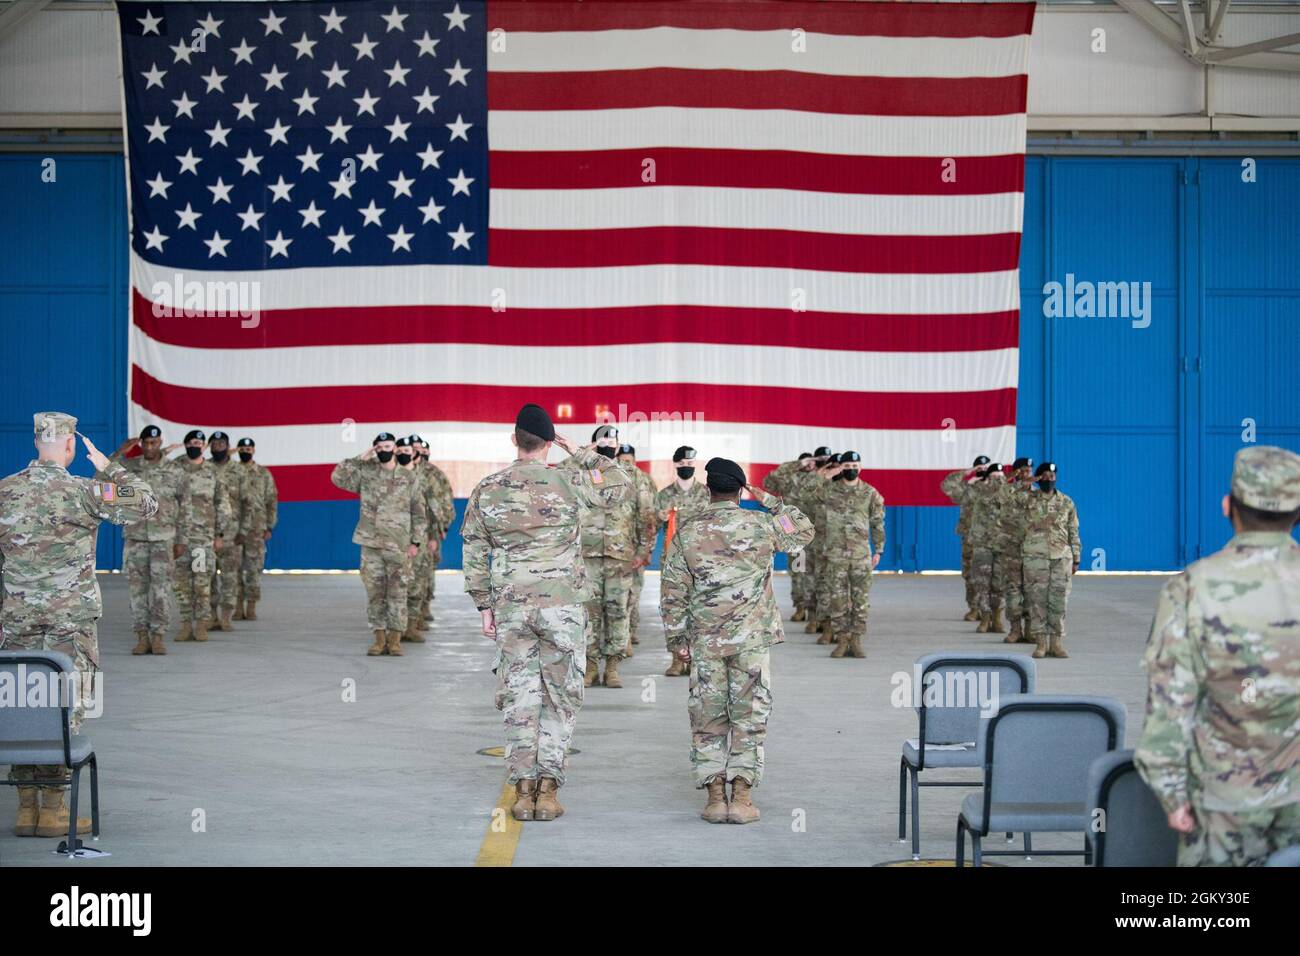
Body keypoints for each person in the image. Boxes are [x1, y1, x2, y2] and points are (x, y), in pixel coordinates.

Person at [1134, 446, 1299, 866]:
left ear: (1228, 506)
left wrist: (1172, 797)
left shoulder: (1192, 589)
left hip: (1225, 798)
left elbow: (1170, 708)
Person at [461, 404, 624, 821]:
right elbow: (619, 487)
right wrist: (581, 452)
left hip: (513, 607)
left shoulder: (489, 487)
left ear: (515, 439)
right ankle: (548, 790)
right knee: (560, 695)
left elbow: (475, 549)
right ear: (550, 442)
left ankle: (523, 789)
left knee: (519, 696)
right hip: (561, 608)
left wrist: (484, 605)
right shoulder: (570, 480)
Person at [0, 413, 158, 838]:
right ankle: (52, 811)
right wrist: (109, 465)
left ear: (36, 442)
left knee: (21, 705)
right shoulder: (87, 490)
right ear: (70, 445)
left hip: (16, 624)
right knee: (61, 710)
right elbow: (145, 504)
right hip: (69, 626)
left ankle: (26, 809)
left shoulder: (5, 491)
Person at [661, 458, 814, 824]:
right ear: (740, 490)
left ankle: (715, 797)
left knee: (708, 716)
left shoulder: (689, 530)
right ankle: (742, 796)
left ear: (709, 489)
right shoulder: (762, 524)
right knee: (749, 715)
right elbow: (804, 530)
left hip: (705, 640)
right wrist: (767, 499)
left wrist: (677, 639)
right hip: (751, 640)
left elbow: (672, 590)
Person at [331, 433, 427, 656]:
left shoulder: (409, 477)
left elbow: (419, 513)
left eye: (388, 446)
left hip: (398, 545)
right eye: (380, 446)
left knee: (397, 592)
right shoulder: (367, 473)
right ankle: (379, 638)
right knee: (375, 593)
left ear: (395, 448)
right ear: (375, 448)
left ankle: (395, 640)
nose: (384, 449)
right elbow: (338, 478)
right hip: (370, 543)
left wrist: (416, 542)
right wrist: (360, 458)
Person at [104, 426, 187, 656]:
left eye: (153, 443)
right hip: (135, 538)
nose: (149, 447)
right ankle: (141, 637)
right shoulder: (130, 468)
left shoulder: (174, 470)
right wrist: (121, 452)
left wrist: (182, 539)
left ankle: (158, 636)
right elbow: (101, 477)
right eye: (145, 443)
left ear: (160, 442)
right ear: (140, 444)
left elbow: (185, 506)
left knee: (161, 590)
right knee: (137, 591)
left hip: (164, 539)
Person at [578, 425, 645, 688]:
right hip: (588, 556)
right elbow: (557, 471)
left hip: (620, 557)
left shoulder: (632, 476)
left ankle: (613, 667)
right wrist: (585, 454)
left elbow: (646, 515)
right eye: (602, 439)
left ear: (618, 446)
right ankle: (591, 667)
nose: (608, 443)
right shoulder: (580, 474)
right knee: (589, 613)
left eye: (612, 439)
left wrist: (643, 550)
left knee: (618, 612)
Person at [808, 451, 884, 658]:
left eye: (854, 465)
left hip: (861, 556)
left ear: (860, 467)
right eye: (847, 465)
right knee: (838, 600)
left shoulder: (870, 493)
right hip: (835, 556)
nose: (851, 468)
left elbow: (877, 522)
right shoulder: (829, 491)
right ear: (841, 467)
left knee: (860, 600)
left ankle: (856, 640)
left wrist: (879, 550)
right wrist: (824, 474)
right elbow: (807, 492)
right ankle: (842, 640)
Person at [655, 445, 711, 676]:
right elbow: (654, 526)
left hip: (701, 560)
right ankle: (677, 659)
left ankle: (697, 659)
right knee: (673, 609)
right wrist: (659, 518)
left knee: (700, 609)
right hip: (673, 561)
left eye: (690, 464)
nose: (686, 467)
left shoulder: (706, 494)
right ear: (675, 464)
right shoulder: (664, 495)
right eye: (682, 464)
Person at [175, 430, 231, 644]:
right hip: (179, 539)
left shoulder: (211, 472)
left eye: (198, 442)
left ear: (203, 446)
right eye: (190, 442)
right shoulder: (175, 468)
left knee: (201, 583)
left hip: (202, 539)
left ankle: (201, 624)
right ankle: (185, 624)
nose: (194, 445)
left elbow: (223, 504)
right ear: (185, 444)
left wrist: (219, 534)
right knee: (181, 584)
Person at [1021, 461, 1080, 658]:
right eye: (1044, 476)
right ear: (1039, 478)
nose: (1049, 479)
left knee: (1059, 600)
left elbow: (1073, 530)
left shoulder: (1066, 502)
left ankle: (1056, 643)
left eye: (1052, 476)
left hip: (1061, 558)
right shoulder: (1028, 499)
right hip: (1035, 557)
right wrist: (1027, 482)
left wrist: (1077, 557)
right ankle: (1040, 643)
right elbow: (1004, 498)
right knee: (1037, 600)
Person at [409, 436, 455, 633]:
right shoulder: (402, 472)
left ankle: (421, 609)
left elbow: (444, 501)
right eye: (414, 448)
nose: (419, 452)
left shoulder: (434, 474)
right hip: (407, 531)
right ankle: (408, 618)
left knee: (425, 572)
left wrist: (442, 528)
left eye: (422, 449)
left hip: (429, 530)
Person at [764, 452, 816, 621]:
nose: (810, 465)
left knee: (816, 573)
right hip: (793, 531)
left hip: (816, 532)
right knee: (797, 570)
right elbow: (768, 482)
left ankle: (816, 612)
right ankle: (800, 606)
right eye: (806, 462)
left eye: (813, 462)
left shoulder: (820, 480)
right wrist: (795, 464)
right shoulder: (789, 477)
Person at [617, 443, 659, 652]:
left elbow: (650, 517)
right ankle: (622, 636)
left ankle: (630, 631)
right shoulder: (612, 478)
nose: (625, 463)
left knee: (634, 592)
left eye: (629, 459)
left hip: (636, 547)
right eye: (622, 459)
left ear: (634, 460)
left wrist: (647, 550)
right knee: (619, 595)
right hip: (617, 549)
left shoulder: (644, 480)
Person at [941, 455, 990, 621]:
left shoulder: (996, 488)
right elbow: (946, 485)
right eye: (979, 468)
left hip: (991, 539)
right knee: (970, 574)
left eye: (986, 468)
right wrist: (968, 474)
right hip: (970, 538)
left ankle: (989, 610)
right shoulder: (967, 489)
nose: (983, 471)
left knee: (991, 575)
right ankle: (974, 608)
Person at [233, 437, 277, 621]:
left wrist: (269, 525)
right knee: (233, 568)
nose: (245, 450)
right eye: (242, 448)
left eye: (248, 448)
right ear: (237, 450)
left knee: (253, 568)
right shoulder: (232, 471)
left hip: (256, 527)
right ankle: (236, 606)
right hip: (233, 527)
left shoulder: (263, 474)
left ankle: (251, 605)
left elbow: (271, 500)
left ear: (253, 450)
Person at [207, 431, 245, 632]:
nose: (218, 447)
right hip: (207, 531)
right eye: (214, 443)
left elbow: (248, 501)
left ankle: (226, 616)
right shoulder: (204, 468)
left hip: (232, 532)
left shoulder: (238, 470)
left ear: (227, 446)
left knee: (230, 576)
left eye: (222, 443)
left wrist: (244, 530)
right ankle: (211, 616)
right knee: (209, 575)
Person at [995, 457, 1035, 645]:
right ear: (1017, 473)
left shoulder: (1038, 494)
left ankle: (1030, 630)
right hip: (1011, 550)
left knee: (1032, 592)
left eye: (1030, 470)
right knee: (1013, 591)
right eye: (1024, 471)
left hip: (1034, 552)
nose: (1028, 474)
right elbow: (998, 497)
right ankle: (1015, 629)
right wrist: (1013, 480)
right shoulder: (1007, 491)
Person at [966, 462, 1006, 633]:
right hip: (983, 545)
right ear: (988, 479)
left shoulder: (1010, 493)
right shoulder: (978, 491)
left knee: (999, 584)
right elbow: (951, 488)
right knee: (982, 583)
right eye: (994, 478)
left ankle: (997, 618)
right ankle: (985, 617)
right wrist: (969, 476)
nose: (998, 481)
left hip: (1003, 546)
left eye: (1001, 477)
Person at [803, 447, 837, 638]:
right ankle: (815, 617)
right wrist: (820, 476)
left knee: (835, 585)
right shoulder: (818, 484)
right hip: (817, 541)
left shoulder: (846, 489)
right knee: (815, 581)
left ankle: (833, 625)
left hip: (838, 545)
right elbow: (805, 495)